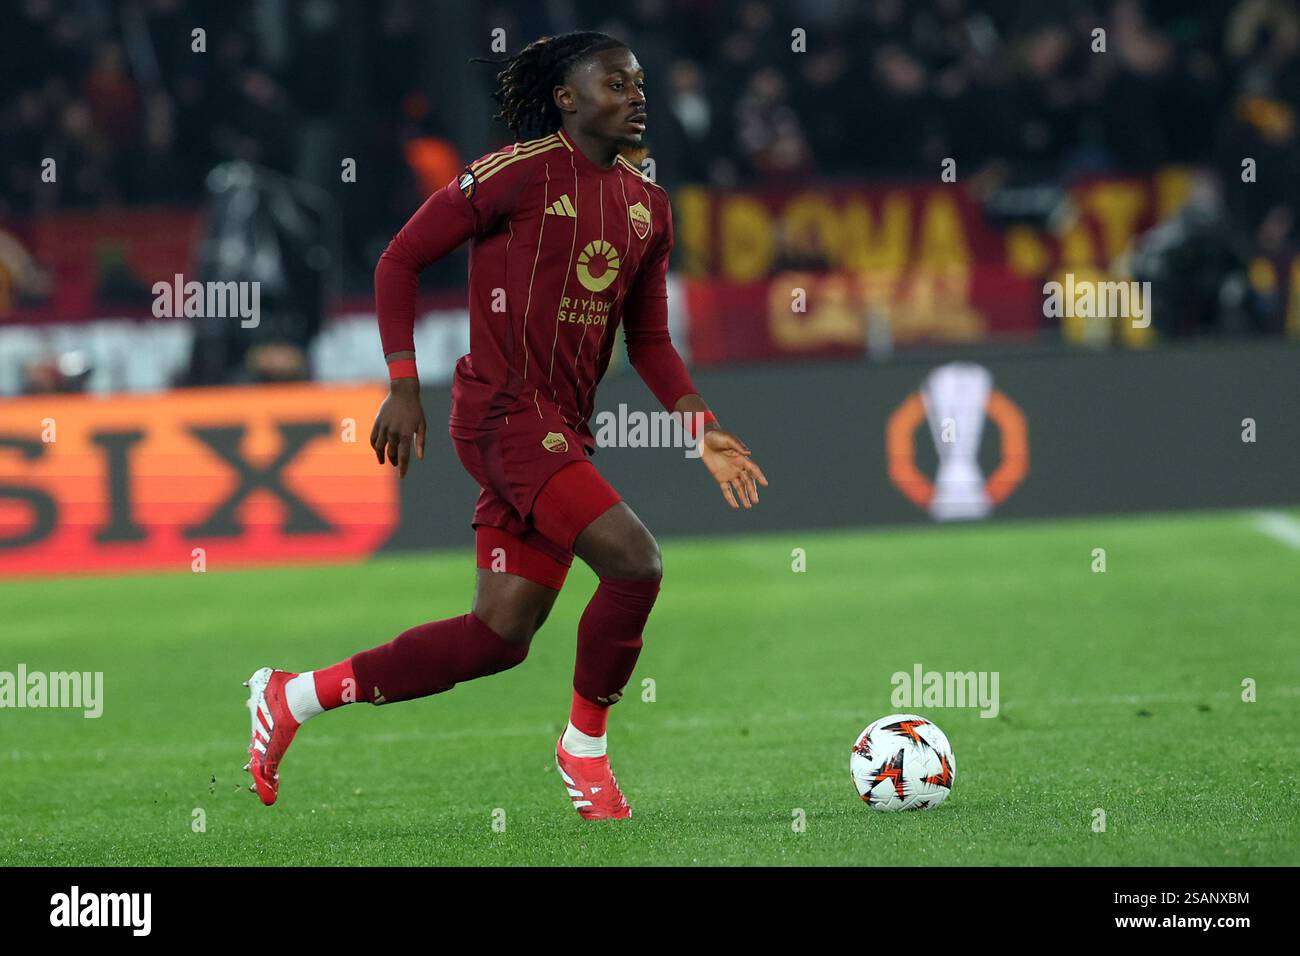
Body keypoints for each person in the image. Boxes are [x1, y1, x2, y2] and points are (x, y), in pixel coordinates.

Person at [243, 31, 767, 819]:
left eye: (640, 84)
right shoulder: (513, 176)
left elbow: (650, 340)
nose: (636, 96)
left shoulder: (647, 208)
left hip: (562, 426)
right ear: (567, 98)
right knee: (635, 562)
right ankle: (584, 749)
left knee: (499, 635)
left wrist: (702, 425)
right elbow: (398, 260)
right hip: (501, 411)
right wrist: (402, 384)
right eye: (617, 84)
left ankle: (294, 698)